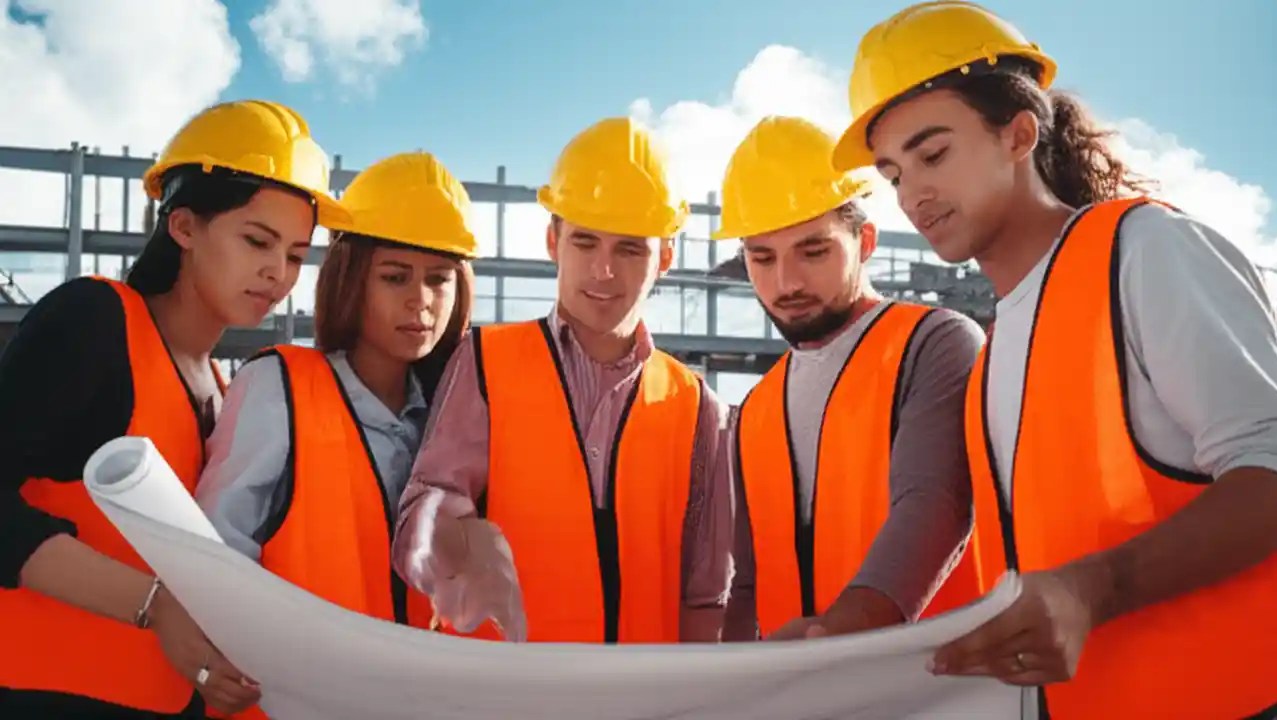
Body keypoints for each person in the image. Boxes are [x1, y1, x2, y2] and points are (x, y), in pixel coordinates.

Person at [833, 2, 1277, 718]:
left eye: (933, 153)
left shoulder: (1146, 251)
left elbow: (1271, 469)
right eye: (892, 174)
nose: (912, 192)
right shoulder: (997, 348)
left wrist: (1091, 589)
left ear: (1018, 134)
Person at [0, 99, 346, 719]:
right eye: (257, 240)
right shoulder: (95, 320)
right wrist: (156, 605)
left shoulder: (220, 388)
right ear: (183, 227)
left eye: (295, 255)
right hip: (38, 695)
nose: (277, 273)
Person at [391, 117, 735, 644]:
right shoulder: (484, 361)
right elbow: (426, 503)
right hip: (510, 698)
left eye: (630, 249)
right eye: (585, 242)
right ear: (554, 241)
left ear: (665, 257)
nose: (603, 270)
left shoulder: (695, 405)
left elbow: (706, 589)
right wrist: (451, 547)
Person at [711, 115, 984, 642]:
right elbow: (747, 582)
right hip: (803, 693)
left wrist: (837, 644)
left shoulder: (934, 344)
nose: (785, 282)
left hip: (935, 690)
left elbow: (935, 503)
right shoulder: (755, 409)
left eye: (814, 251)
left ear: (864, 241)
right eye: (761, 258)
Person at [197, 151, 476, 639]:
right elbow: (215, 555)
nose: (421, 299)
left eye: (439, 278)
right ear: (350, 279)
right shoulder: (277, 387)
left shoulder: (458, 414)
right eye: (395, 276)